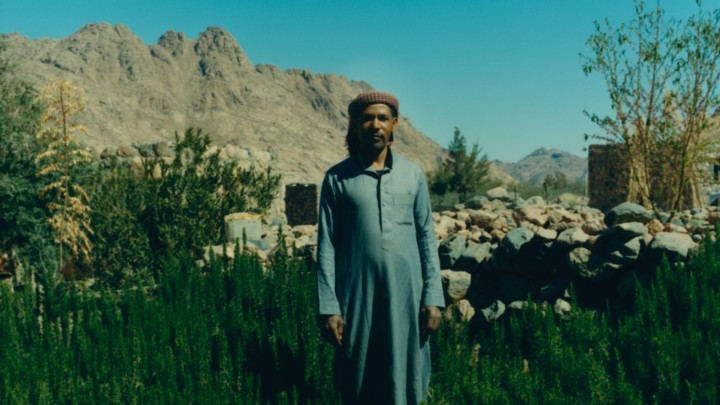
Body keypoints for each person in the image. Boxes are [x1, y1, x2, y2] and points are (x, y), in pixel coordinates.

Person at [316, 91, 445, 404]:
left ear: (394, 124)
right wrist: (329, 306)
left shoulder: (412, 175)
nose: (375, 125)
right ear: (355, 125)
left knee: (406, 374)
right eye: (367, 118)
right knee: (358, 375)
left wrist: (433, 296)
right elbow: (326, 247)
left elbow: (426, 238)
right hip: (356, 300)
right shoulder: (337, 179)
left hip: (406, 298)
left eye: (383, 118)